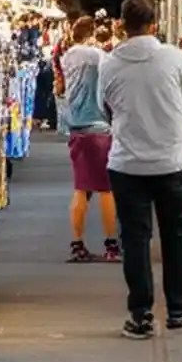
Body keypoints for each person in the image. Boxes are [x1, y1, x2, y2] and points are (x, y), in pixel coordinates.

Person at [98, 0, 182, 339]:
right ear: (154, 24)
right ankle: (177, 309)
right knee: (175, 237)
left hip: (127, 165)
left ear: (122, 26)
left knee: (135, 240)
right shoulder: (174, 58)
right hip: (173, 162)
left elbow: (105, 109)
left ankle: (141, 313)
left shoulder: (110, 64)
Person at [59, 16, 120, 263]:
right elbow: (109, 89)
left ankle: (77, 244)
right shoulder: (98, 57)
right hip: (99, 129)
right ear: (92, 33)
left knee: (81, 189)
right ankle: (111, 245)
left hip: (76, 128)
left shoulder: (68, 57)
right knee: (106, 190)